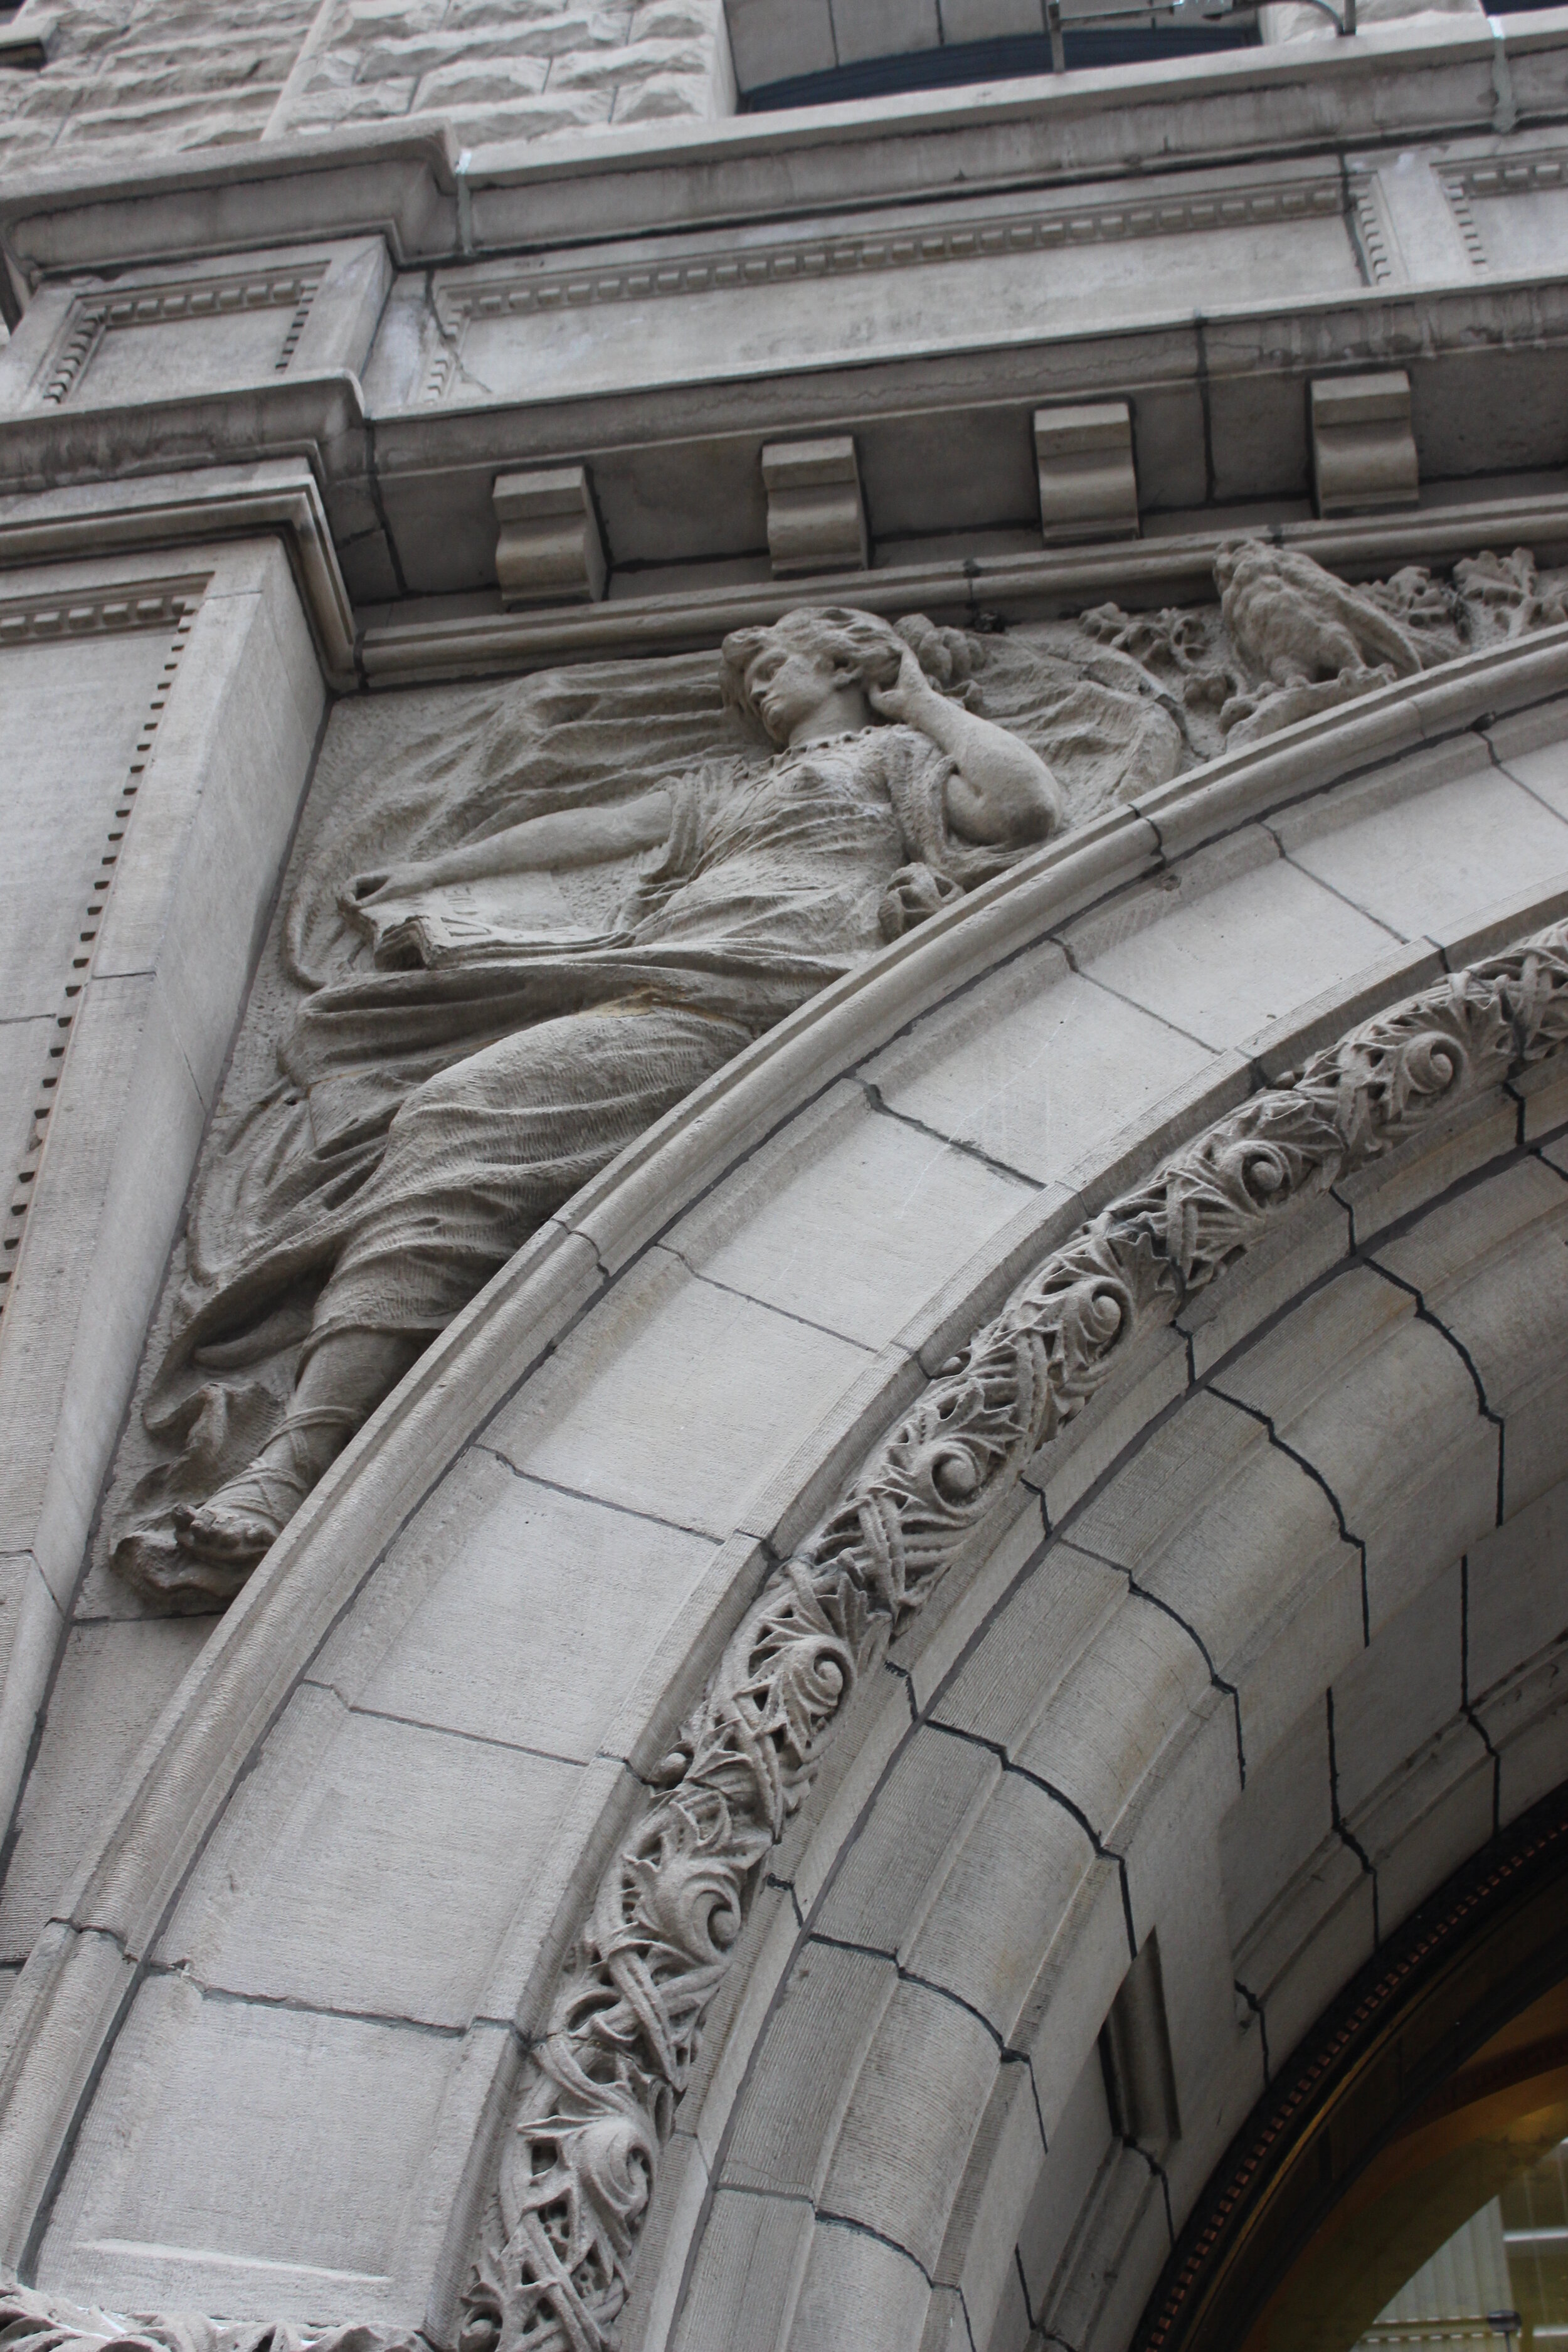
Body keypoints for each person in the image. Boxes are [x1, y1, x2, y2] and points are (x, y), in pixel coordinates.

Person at [144, 607, 1061, 1579]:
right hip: (662, 976)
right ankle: (306, 1446)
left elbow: (1027, 807)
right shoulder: (731, 787)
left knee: (458, 1114)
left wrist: (919, 699)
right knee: (444, 1112)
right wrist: (432, 870)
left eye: (775, 666)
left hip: (771, 986)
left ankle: (293, 1461)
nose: (755, 689)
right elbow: (593, 833)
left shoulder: (889, 756)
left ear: (844, 660)